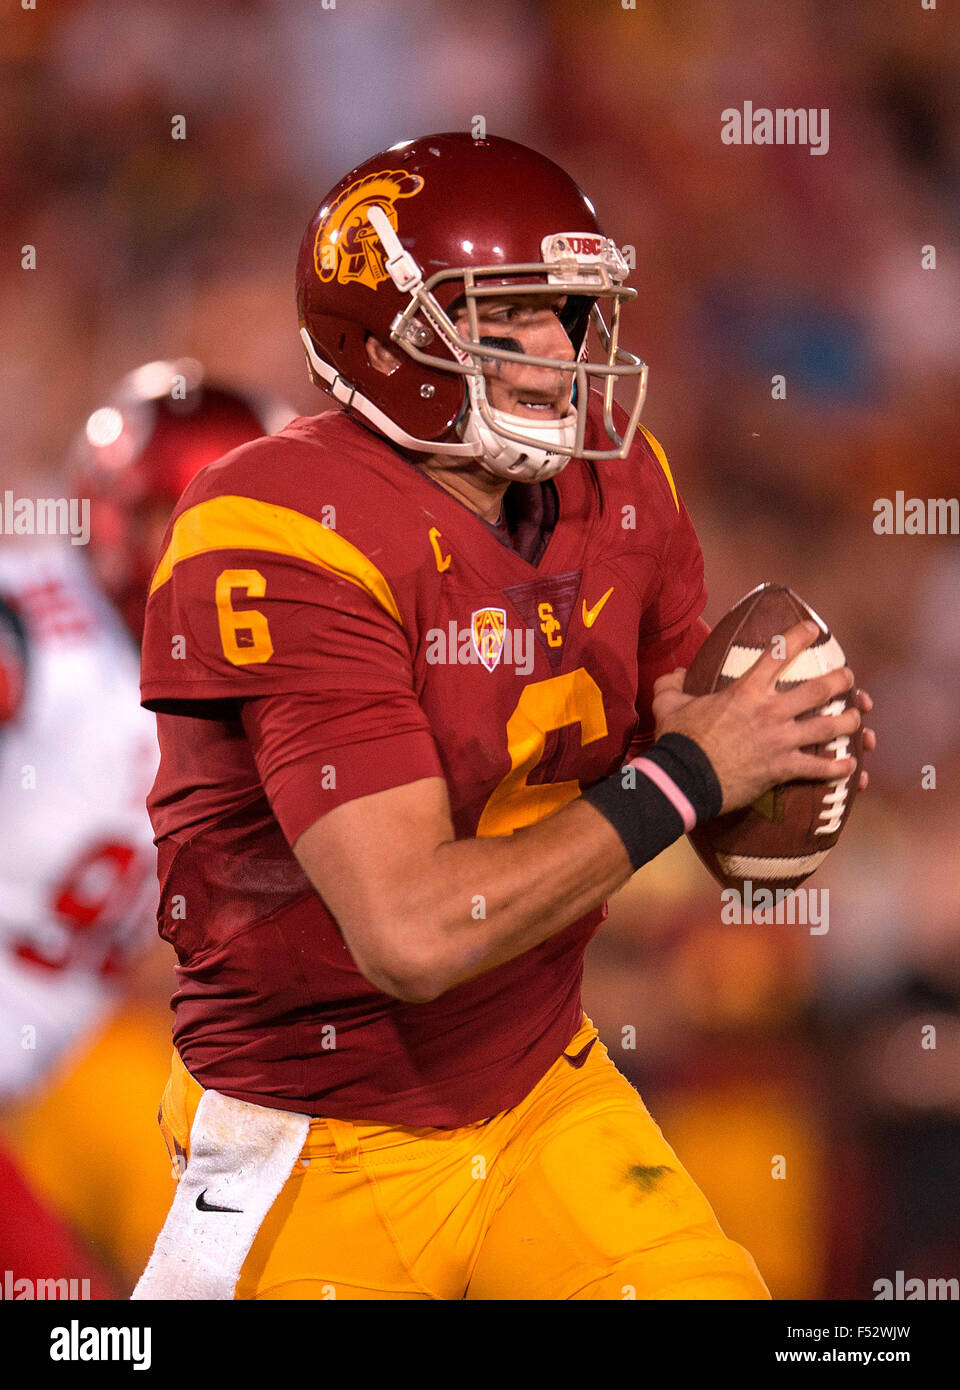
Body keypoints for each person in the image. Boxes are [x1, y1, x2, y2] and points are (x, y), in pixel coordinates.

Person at [137, 133, 874, 1301]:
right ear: (387, 340)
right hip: (325, 1131)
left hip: (544, 1085)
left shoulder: (621, 480)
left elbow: (709, 782)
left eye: (573, 314)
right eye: (511, 317)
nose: (561, 356)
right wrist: (697, 766)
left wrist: (784, 751)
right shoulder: (279, 527)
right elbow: (414, 934)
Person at [0, 360, 286, 1290]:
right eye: (187, 527)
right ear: (116, 516)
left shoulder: (260, 711)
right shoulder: (40, 634)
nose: (217, 567)